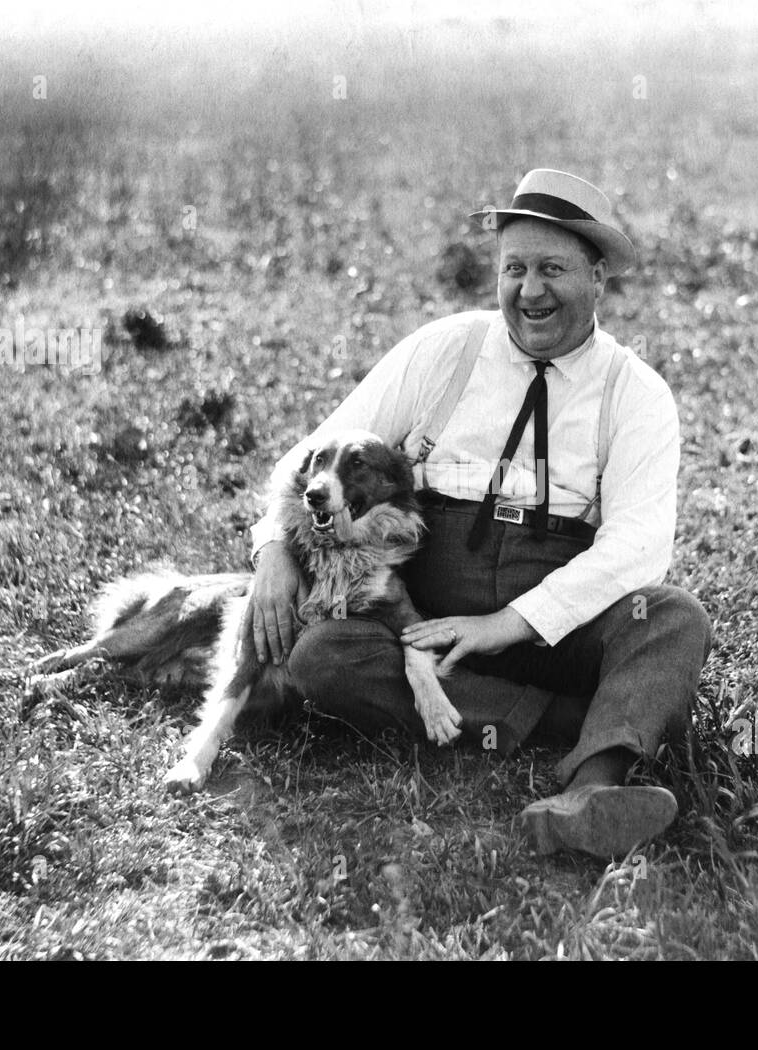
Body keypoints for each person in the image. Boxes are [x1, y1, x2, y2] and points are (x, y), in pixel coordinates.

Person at [242, 169, 711, 857]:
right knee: (325, 656)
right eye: (514, 268)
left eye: (553, 268)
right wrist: (275, 549)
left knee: (673, 618)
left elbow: (639, 544)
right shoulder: (445, 350)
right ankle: (574, 722)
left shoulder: (635, 393)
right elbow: (316, 451)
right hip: (427, 624)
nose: (530, 291)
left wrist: (507, 625)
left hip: (561, 625)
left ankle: (591, 790)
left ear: (598, 277)